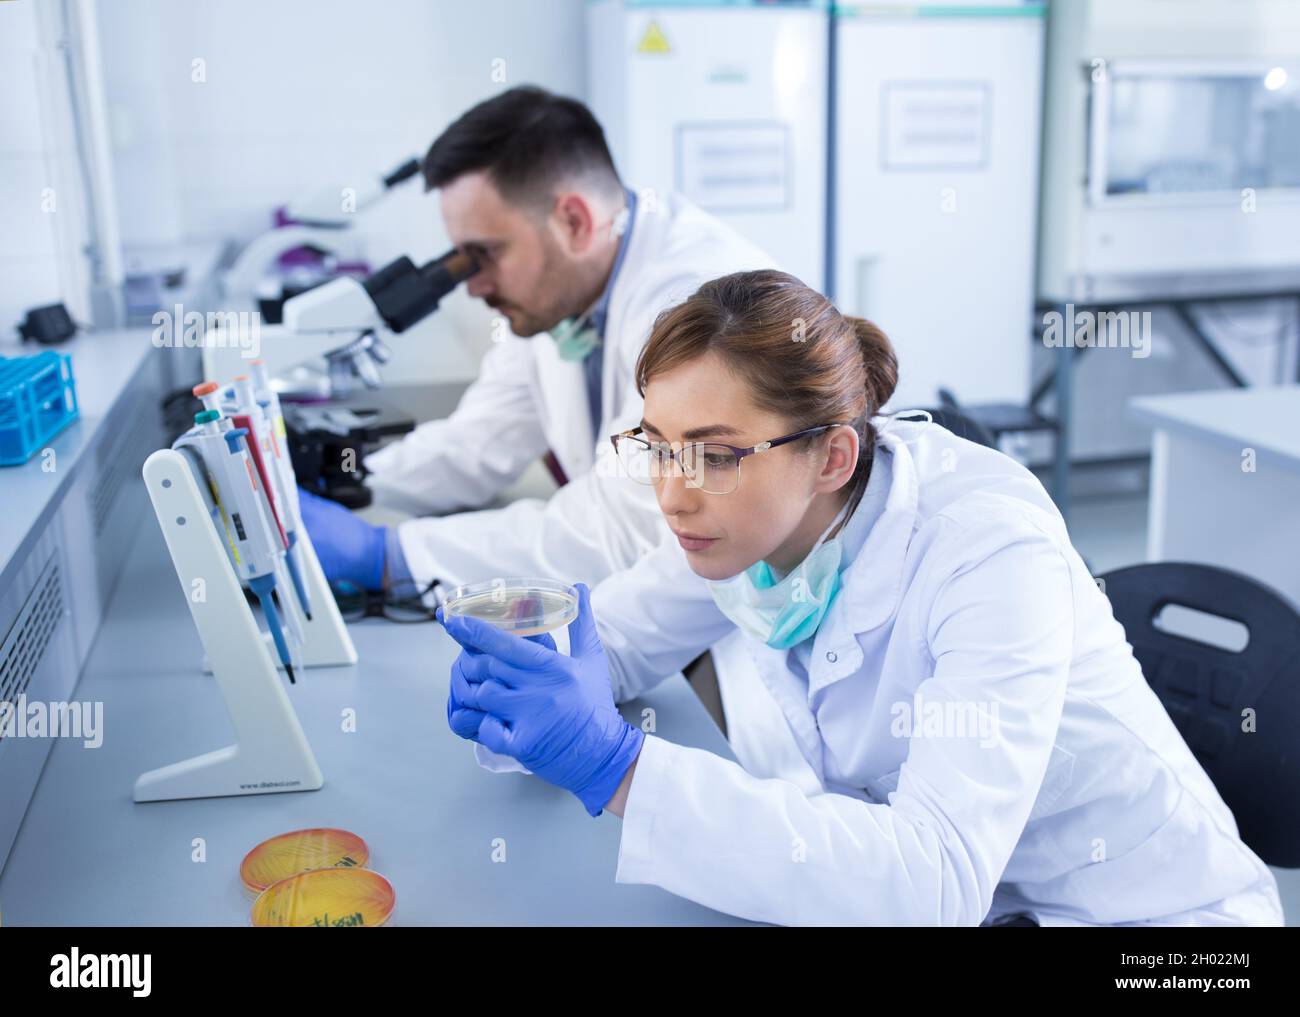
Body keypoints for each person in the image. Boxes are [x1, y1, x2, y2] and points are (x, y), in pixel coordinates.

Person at [438, 269, 1285, 927]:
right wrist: (528, 674)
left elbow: (934, 882)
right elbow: (616, 642)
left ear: (833, 458)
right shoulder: (742, 516)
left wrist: (619, 767)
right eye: (657, 447)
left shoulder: (988, 549)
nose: (672, 493)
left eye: (714, 454)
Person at [298, 86, 773, 596]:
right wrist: (347, 482)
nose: (473, 286)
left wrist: (386, 554)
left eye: (484, 255)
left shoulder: (697, 301)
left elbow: (624, 525)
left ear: (574, 222)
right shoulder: (554, 295)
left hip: (728, 612)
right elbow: (480, 441)